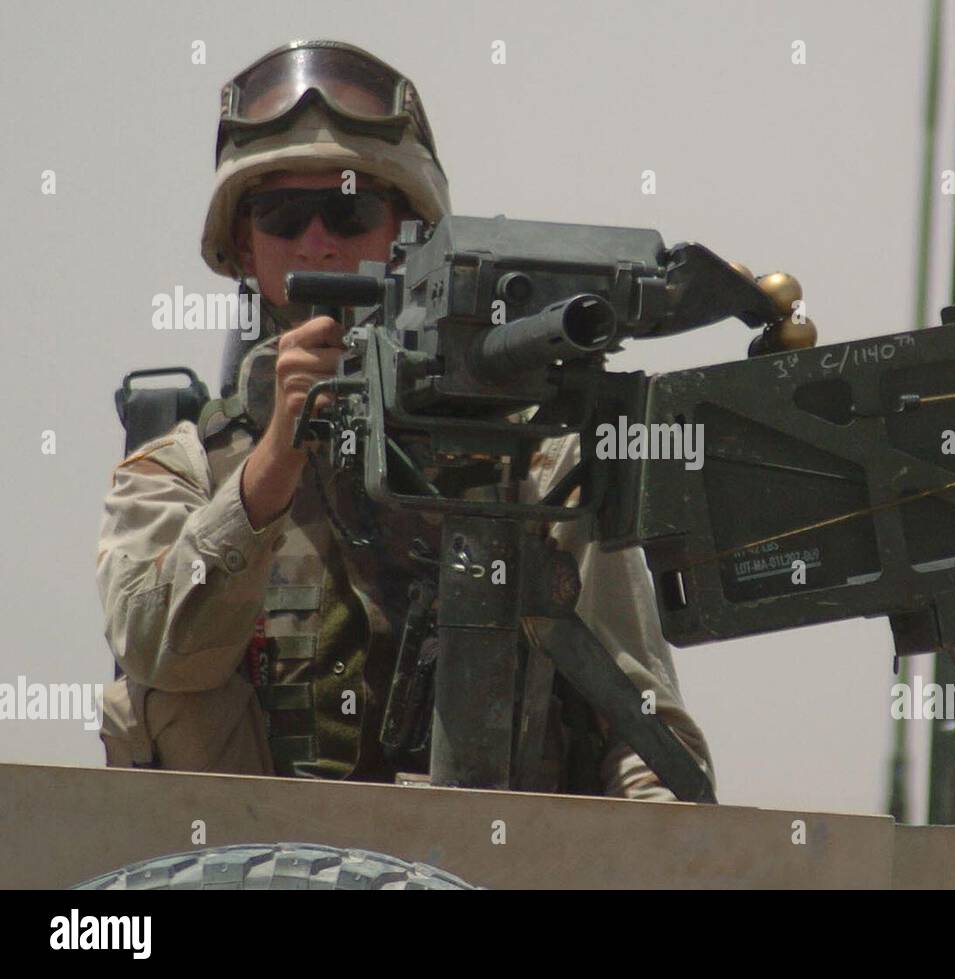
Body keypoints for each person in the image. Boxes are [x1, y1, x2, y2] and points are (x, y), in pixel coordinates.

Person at [96, 40, 715, 801]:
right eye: (281, 214)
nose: (316, 241)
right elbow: (161, 652)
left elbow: (645, 728)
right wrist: (266, 477)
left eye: (350, 210)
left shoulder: (536, 468)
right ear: (242, 247)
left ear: (411, 235)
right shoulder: (179, 471)